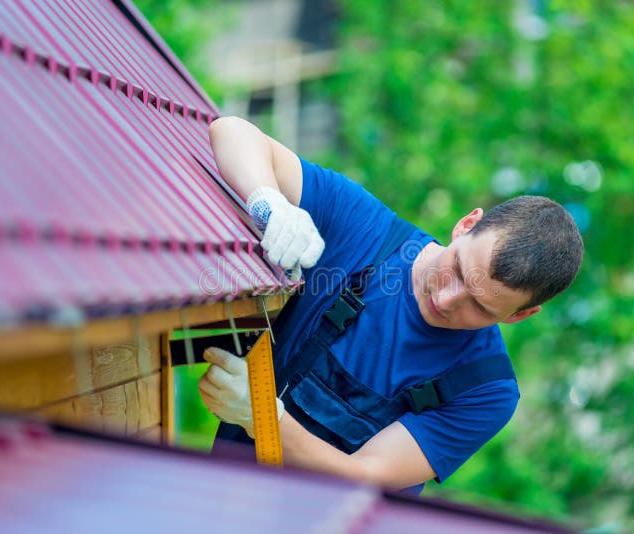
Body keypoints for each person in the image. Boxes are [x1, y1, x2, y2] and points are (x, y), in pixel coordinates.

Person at [198, 116, 584, 493]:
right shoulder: (364, 231)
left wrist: (263, 416)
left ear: (520, 315)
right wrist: (269, 204)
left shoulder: (484, 390)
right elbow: (232, 131)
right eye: (459, 270)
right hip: (216, 497)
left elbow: (364, 478)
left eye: (480, 308)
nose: (447, 300)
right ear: (466, 225)